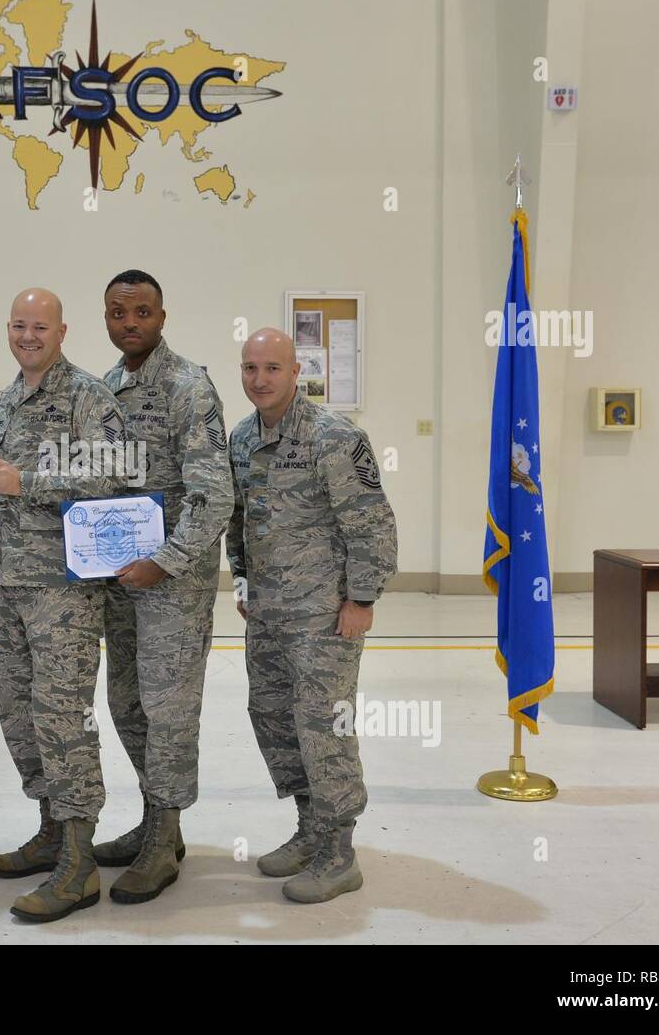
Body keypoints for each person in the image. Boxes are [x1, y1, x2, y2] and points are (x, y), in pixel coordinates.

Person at [0, 287, 126, 922]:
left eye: (40, 326)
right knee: (17, 712)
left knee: (62, 719)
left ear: (62, 332)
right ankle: (50, 830)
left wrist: (28, 481)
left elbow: (114, 478)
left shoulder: (88, 397)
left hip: (66, 592)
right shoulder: (10, 398)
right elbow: (1, 491)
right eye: (18, 325)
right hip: (15, 585)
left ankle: (79, 863)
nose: (28, 336)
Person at [226, 327, 397, 904]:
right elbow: (238, 521)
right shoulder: (242, 438)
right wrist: (243, 581)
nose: (260, 379)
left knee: (324, 728)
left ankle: (339, 853)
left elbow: (371, 523)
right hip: (267, 614)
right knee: (274, 719)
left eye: (272, 368)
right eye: (250, 368)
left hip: (324, 617)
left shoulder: (335, 436)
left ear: (296, 372)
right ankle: (309, 830)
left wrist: (362, 599)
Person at [94, 269, 233, 904]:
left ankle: (163, 840)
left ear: (162, 316)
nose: (130, 323)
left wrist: (166, 561)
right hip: (120, 580)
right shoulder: (104, 388)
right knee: (126, 702)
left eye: (142, 312)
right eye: (118, 312)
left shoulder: (188, 387)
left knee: (168, 710)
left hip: (174, 584)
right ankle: (157, 822)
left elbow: (215, 496)